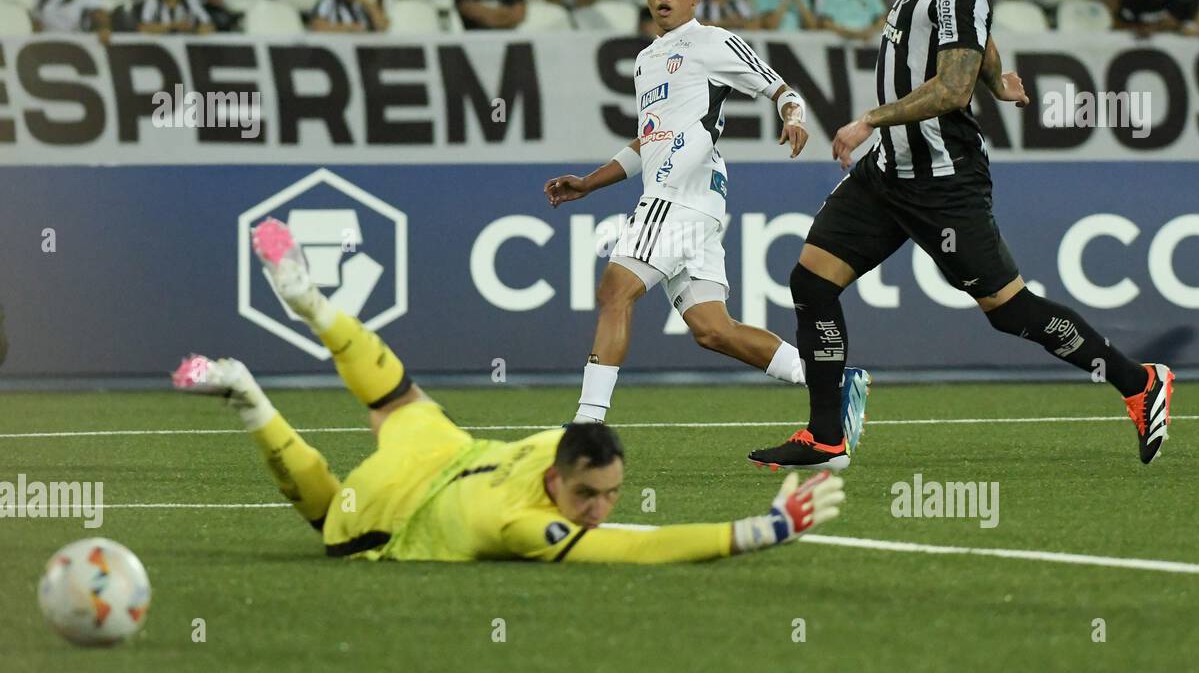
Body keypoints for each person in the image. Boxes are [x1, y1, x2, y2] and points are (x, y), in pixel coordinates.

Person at [748, 0, 1175, 472]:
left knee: (1011, 312)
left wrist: (869, 119)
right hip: (887, 176)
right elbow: (977, 39)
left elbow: (950, 90)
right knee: (811, 283)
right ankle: (826, 436)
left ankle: (1139, 383)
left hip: (941, 182)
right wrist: (998, 77)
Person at [172, 217, 846, 564]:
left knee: (398, 398)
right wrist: (769, 528)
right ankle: (247, 396)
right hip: (389, 514)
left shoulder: (555, 445)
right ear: (555, 482)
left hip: (450, 452)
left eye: (611, 494)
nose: (601, 512)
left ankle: (309, 302)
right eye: (589, 497)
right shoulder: (523, 527)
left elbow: (614, 515)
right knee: (330, 520)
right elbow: (643, 548)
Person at [542, 0, 869, 448]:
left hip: (681, 194)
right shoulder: (645, 62)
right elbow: (647, 141)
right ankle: (835, 383)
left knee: (614, 291)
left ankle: (587, 425)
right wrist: (590, 182)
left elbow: (779, 87)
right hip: (689, 201)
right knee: (714, 329)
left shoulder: (711, 42)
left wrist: (793, 116)